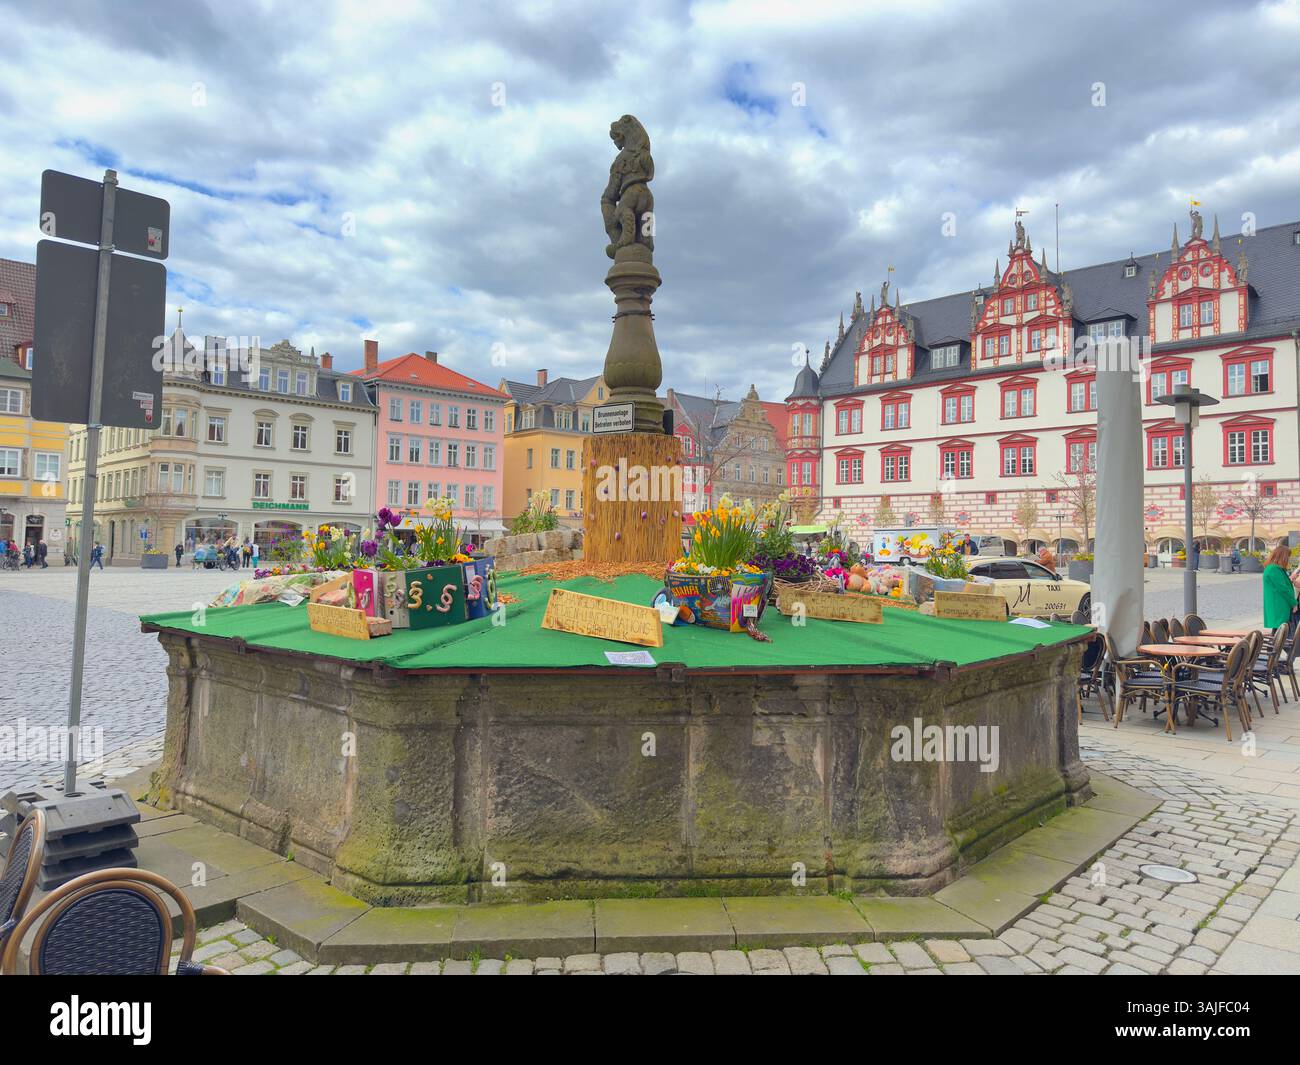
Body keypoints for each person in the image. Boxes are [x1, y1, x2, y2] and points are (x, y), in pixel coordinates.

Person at [1262, 544, 1296, 628]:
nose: (1288, 559)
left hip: (1277, 604)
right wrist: (1294, 603)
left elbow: (1280, 584)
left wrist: (1290, 579)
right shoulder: (1274, 569)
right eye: (1288, 557)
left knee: (1279, 632)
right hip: (1279, 604)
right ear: (1283, 557)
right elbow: (1283, 589)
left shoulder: (1272, 568)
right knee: (1280, 632)